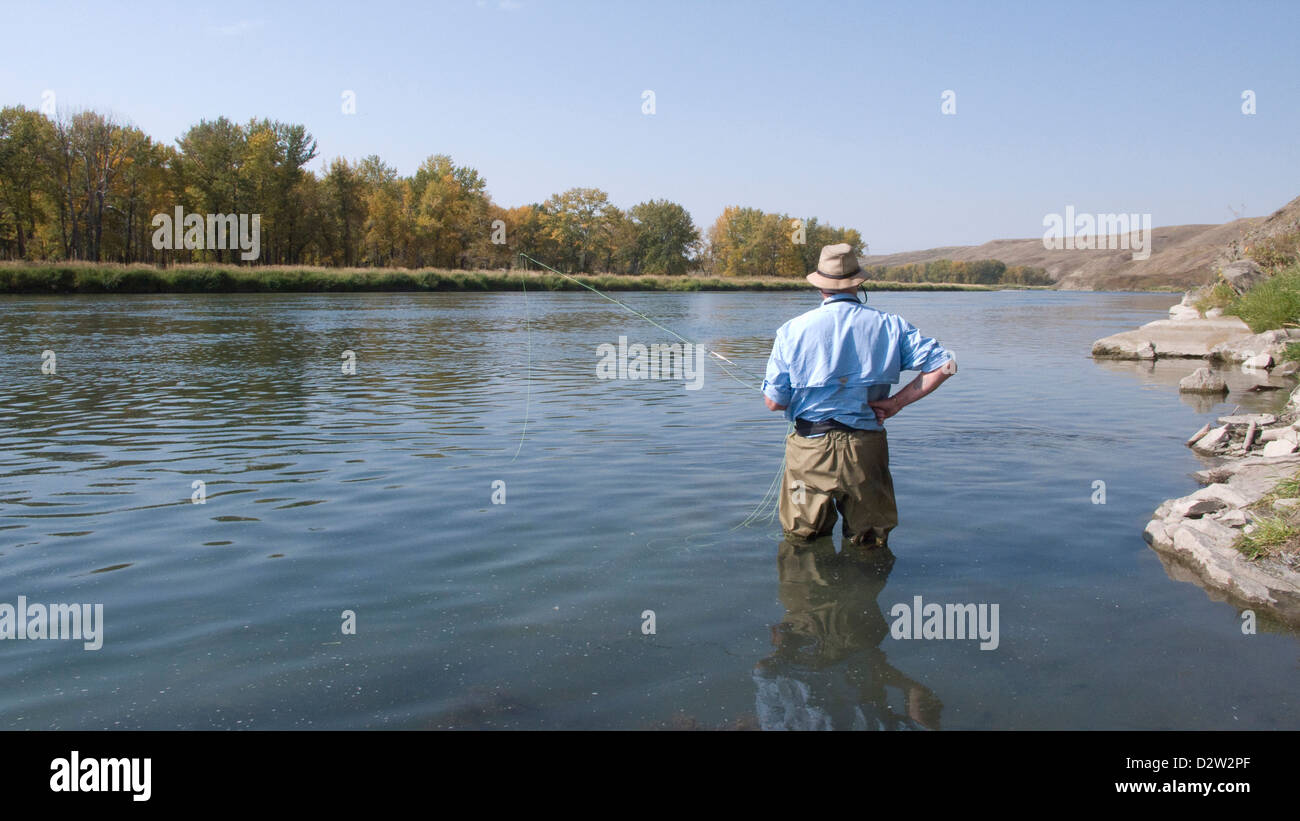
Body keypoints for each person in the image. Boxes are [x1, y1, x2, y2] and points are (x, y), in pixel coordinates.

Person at [761, 243, 955, 549]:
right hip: (866, 451)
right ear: (858, 283)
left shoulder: (792, 331)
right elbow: (946, 365)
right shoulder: (891, 326)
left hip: (809, 455)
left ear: (820, 286)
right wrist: (895, 403)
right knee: (870, 544)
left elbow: (775, 403)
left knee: (802, 543)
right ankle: (864, 593)